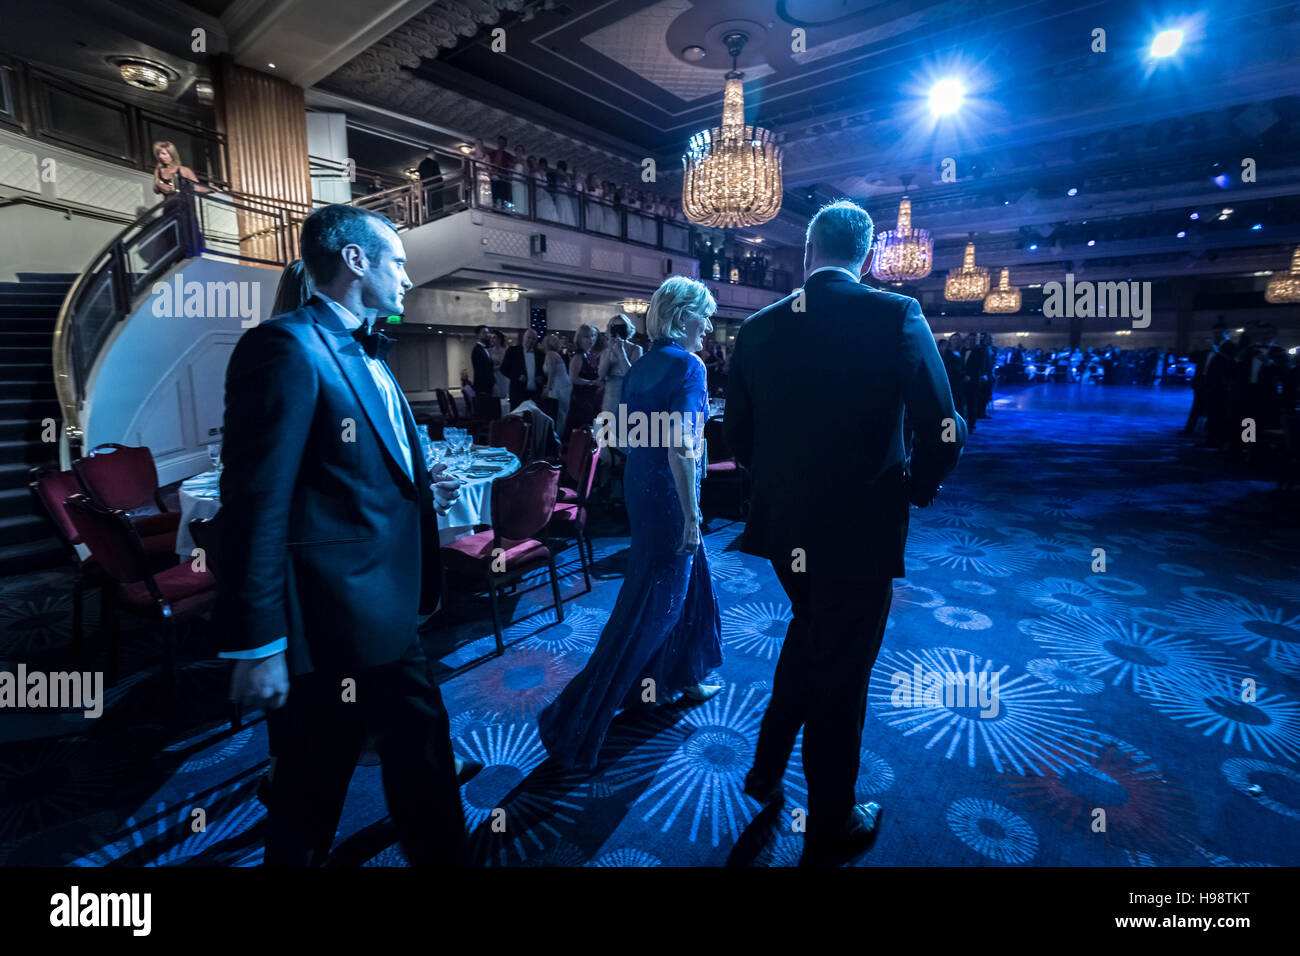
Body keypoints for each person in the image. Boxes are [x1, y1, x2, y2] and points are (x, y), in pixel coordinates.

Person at [216, 204, 468, 866]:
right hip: (332, 623)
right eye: (400, 263)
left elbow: (354, 473)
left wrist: (419, 485)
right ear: (356, 261)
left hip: (385, 611)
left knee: (327, 777)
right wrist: (259, 644)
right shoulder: (285, 347)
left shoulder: (370, 351)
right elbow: (258, 504)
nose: (410, 278)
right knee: (386, 766)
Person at [725, 199, 965, 867]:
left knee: (813, 637)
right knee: (843, 672)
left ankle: (767, 769)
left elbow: (738, 438)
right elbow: (945, 426)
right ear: (864, 256)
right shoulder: (894, 315)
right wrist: (918, 486)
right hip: (860, 532)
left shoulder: (759, 328)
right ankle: (829, 820)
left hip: (784, 532)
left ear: (808, 251)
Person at [538, 276, 723, 769]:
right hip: (669, 492)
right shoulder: (689, 365)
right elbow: (682, 444)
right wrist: (692, 512)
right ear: (683, 316)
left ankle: (674, 679)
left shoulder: (640, 365)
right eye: (703, 315)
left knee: (682, 587)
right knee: (654, 607)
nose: (708, 326)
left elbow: (626, 433)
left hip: (643, 487)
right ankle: (576, 717)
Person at [598, 314, 643, 415]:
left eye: (622, 327)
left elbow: (631, 375)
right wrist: (610, 350)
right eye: (615, 328)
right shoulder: (606, 351)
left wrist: (621, 353)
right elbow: (601, 375)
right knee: (608, 427)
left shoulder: (636, 349)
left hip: (627, 393)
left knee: (625, 426)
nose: (618, 331)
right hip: (610, 395)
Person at [566, 323, 603, 436]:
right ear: (580, 338)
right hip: (581, 399)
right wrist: (592, 383)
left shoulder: (590, 355)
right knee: (581, 430)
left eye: (593, 335)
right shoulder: (578, 356)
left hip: (591, 398)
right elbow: (573, 378)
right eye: (587, 336)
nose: (591, 339)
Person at [502, 327, 547, 409]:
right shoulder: (513, 351)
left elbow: (546, 372)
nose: (531, 340)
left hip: (536, 394)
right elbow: (504, 369)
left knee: (535, 418)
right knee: (516, 418)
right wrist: (517, 376)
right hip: (517, 392)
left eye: (533, 339)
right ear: (524, 338)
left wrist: (542, 378)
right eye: (529, 337)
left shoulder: (540, 354)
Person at [542, 332, 571, 435]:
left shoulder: (550, 355)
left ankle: (557, 437)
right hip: (563, 385)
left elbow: (551, 373)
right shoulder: (555, 354)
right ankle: (558, 436)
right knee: (561, 413)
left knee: (559, 413)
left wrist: (548, 388)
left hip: (559, 386)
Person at [417, 146, 443, 219]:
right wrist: (440, 184)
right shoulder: (434, 163)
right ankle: (437, 216)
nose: (435, 155)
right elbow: (438, 176)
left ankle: (429, 217)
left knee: (429, 204)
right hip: (435, 187)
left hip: (426, 187)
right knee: (436, 205)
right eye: (434, 154)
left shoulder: (422, 164)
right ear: (431, 154)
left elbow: (421, 177)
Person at [471, 325, 497, 397]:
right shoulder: (477, 350)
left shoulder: (486, 349)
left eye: (488, 333)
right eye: (484, 333)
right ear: (478, 335)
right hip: (482, 386)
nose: (487, 335)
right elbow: (481, 370)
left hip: (488, 385)